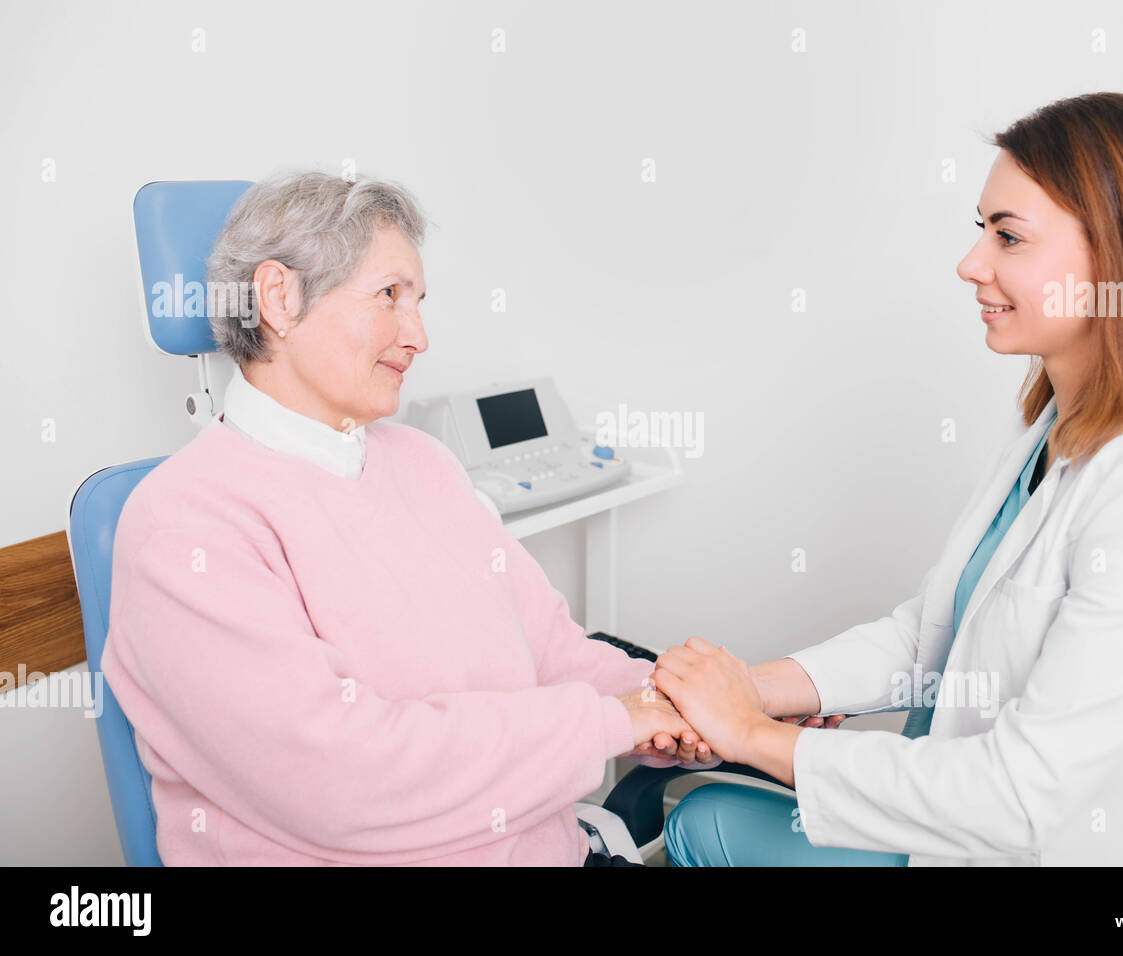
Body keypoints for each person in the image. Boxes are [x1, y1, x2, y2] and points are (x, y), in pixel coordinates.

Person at [653, 92, 1123, 867]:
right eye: (980, 229)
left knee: (706, 826)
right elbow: (931, 638)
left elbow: (1019, 797)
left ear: (1117, 263)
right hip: (966, 838)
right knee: (707, 817)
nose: (971, 264)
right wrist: (744, 692)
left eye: (1009, 237)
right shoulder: (1056, 433)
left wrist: (749, 736)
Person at [101, 170, 716, 866]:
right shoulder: (185, 527)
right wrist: (609, 722)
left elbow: (552, 655)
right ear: (278, 297)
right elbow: (340, 780)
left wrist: (691, 707)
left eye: (419, 301)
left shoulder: (423, 463)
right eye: (389, 295)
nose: (418, 335)